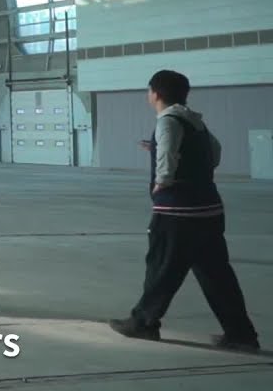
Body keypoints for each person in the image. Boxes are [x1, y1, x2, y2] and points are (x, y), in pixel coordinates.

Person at [108, 70, 260, 352]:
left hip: (178, 212)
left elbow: (167, 153)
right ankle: (241, 334)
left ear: (155, 93)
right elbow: (214, 152)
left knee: (161, 268)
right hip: (208, 211)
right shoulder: (194, 120)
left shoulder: (167, 120)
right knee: (217, 275)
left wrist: (162, 181)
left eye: (149, 91)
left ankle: (143, 323)